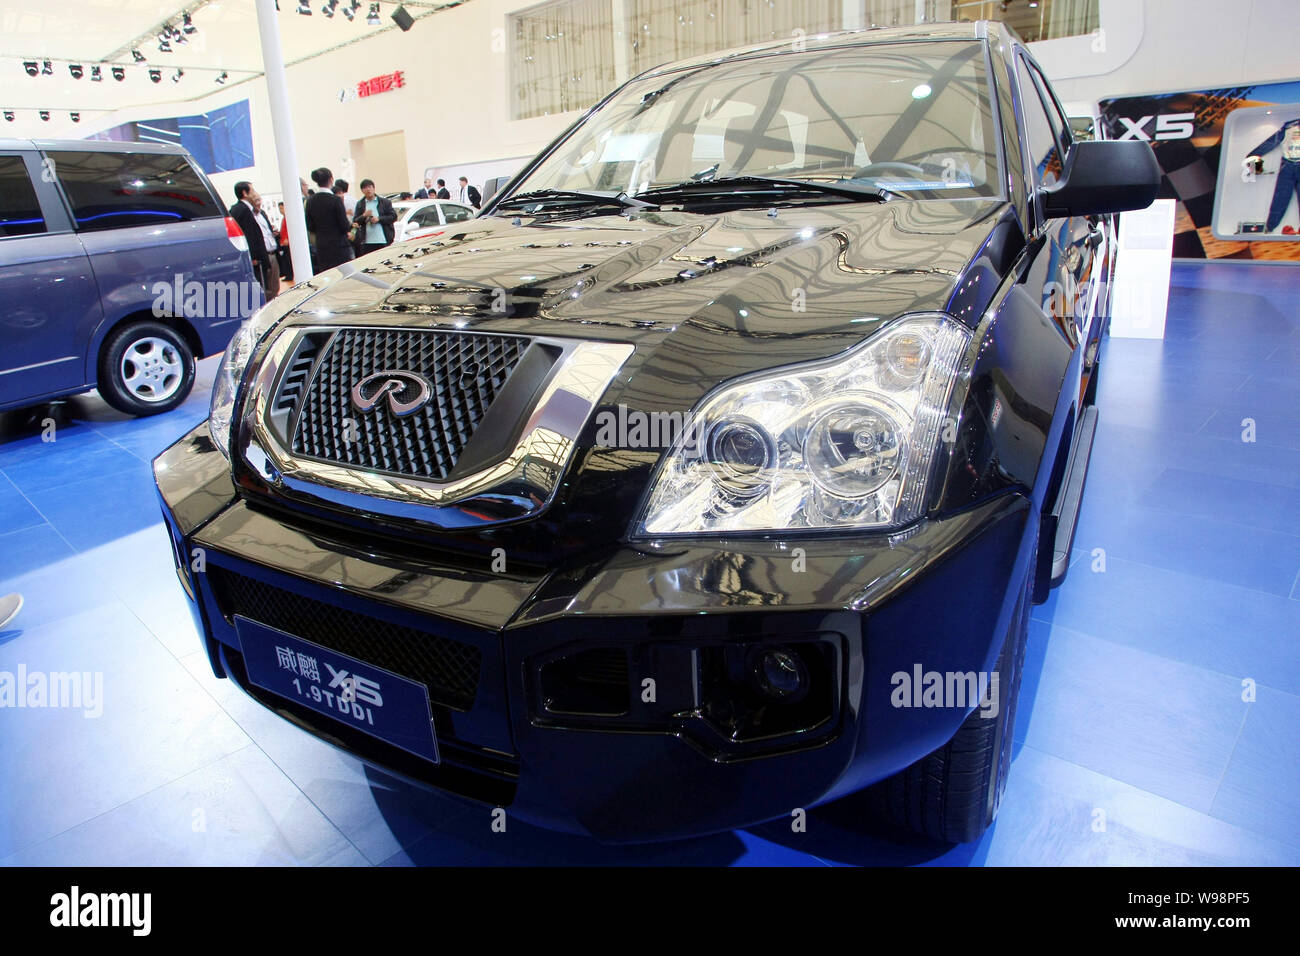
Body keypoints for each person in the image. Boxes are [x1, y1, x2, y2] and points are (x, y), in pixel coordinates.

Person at [229, 181, 280, 299]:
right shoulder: (241, 210)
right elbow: (247, 235)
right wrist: (252, 256)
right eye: (252, 190)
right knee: (264, 290)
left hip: (265, 256)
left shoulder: (250, 211)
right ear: (245, 193)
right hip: (256, 259)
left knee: (272, 288)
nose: (255, 193)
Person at [305, 167, 354, 271]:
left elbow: (310, 225)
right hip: (339, 246)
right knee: (345, 276)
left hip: (322, 246)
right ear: (331, 179)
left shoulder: (310, 201)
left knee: (328, 276)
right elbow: (344, 225)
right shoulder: (335, 200)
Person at [352, 179, 396, 257]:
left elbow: (393, 217)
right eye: (365, 188)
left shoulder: (384, 202)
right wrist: (364, 216)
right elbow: (355, 221)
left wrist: (379, 219)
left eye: (370, 187)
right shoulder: (360, 204)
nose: (368, 189)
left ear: (374, 188)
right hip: (367, 241)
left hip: (383, 239)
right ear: (362, 190)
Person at [276, 200, 293, 283]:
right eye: (279, 208)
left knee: (288, 260)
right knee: (286, 260)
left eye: (282, 208)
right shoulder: (284, 218)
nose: (280, 210)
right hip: (283, 242)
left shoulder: (288, 218)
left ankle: (290, 275)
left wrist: (287, 239)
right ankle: (288, 274)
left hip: (287, 242)